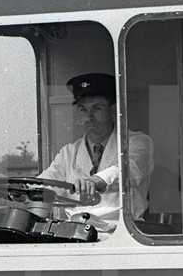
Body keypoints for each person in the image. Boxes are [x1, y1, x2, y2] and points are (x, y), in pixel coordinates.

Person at [41, 72, 152, 227]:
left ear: (113, 110)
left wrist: (95, 181)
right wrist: (21, 188)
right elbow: (46, 182)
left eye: (97, 108)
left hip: (122, 232)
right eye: (83, 109)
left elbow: (128, 170)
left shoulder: (137, 142)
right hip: (76, 233)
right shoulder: (68, 153)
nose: (89, 117)